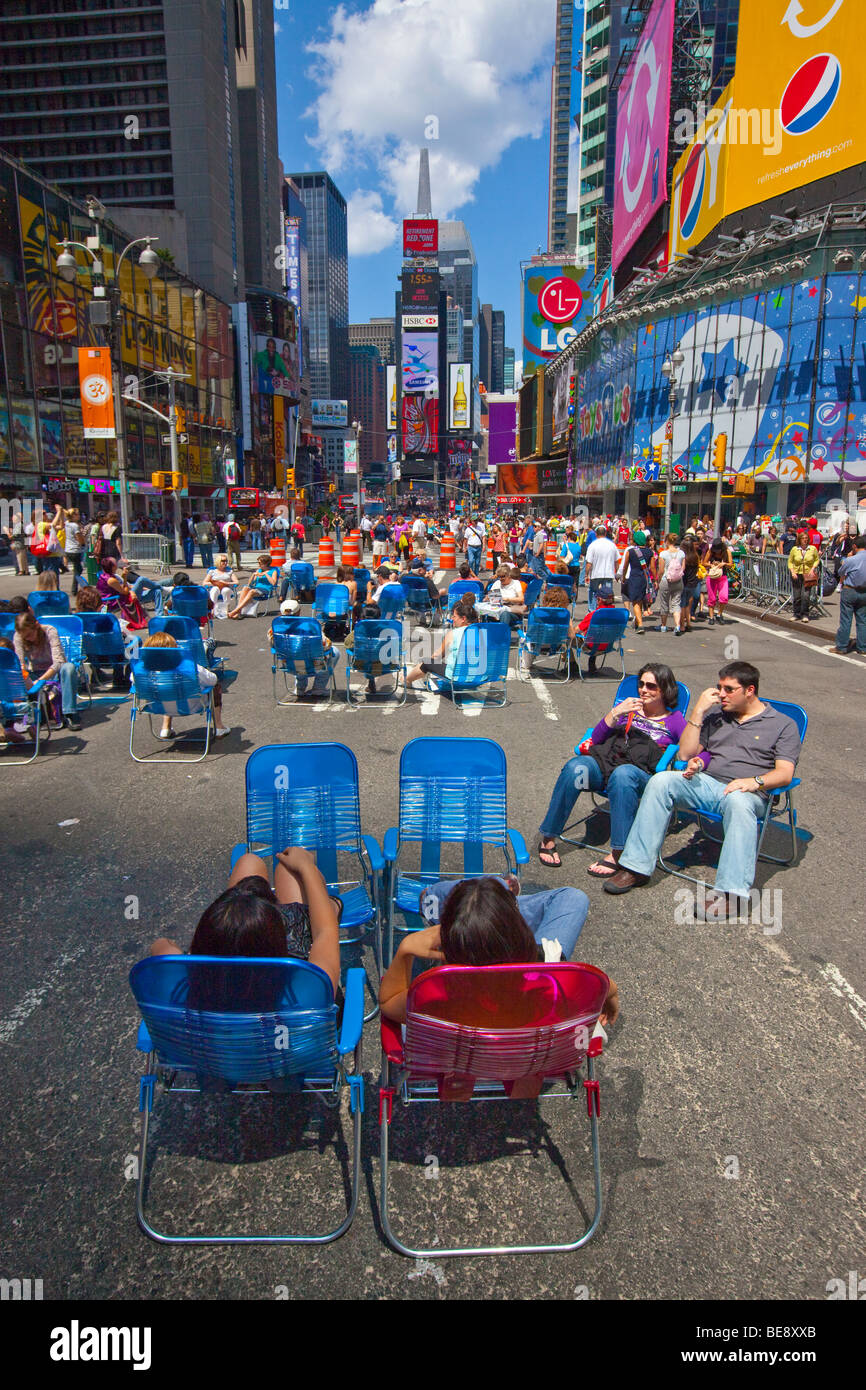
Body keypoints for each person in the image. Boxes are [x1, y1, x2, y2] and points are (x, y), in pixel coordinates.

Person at [602, 661, 802, 920]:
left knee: (739, 802)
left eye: (729, 689)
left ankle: (732, 894)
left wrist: (754, 782)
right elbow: (685, 753)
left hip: (749, 792)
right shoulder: (716, 716)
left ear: (750, 690)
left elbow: (785, 772)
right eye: (719, 687)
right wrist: (697, 713)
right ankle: (636, 868)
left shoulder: (782, 724)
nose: (721, 694)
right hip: (707, 783)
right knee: (662, 780)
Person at [379, 878, 618, 1088]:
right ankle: (500, 899)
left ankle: (433, 898)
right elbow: (604, 987)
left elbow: (388, 1003)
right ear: (522, 931)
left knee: (480, 896)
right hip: (534, 1060)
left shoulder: (436, 996)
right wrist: (609, 996)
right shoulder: (556, 984)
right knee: (571, 897)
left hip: (462, 1063)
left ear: (447, 943)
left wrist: (405, 949)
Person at [538, 663, 686, 874]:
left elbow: (695, 750)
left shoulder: (675, 721)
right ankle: (548, 837)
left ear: (665, 689)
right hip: (608, 765)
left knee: (623, 774)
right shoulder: (629, 710)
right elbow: (596, 739)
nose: (644, 690)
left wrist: (691, 764)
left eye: (651, 686)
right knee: (575, 767)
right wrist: (616, 712)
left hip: (640, 777)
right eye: (641, 684)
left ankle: (619, 851)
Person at [148, 846, 341, 1000]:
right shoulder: (310, 989)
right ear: (279, 946)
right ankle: (333, 906)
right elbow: (325, 931)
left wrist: (182, 954)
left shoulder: (178, 991)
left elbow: (160, 946)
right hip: (289, 1040)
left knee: (249, 862)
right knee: (290, 872)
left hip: (210, 1044)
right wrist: (307, 867)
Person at [138, 630, 230, 739]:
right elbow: (212, 680)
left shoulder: (140, 671)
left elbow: (135, 685)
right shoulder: (188, 667)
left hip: (157, 706)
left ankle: (165, 728)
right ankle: (219, 727)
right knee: (216, 686)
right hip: (193, 705)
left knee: (164, 690)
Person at [13, 609, 81, 731]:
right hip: (35, 672)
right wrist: (25, 676)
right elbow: (20, 664)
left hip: (55, 672)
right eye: (25, 637)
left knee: (69, 667)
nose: (27, 639)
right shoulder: (19, 636)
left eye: (29, 635)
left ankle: (69, 713)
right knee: (15, 673)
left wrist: (40, 681)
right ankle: (23, 714)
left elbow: (58, 662)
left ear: (37, 626)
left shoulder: (50, 631)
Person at [406, 594, 476, 689]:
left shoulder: (454, 633)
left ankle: (406, 680)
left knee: (428, 662)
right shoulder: (482, 632)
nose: (452, 619)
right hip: (479, 676)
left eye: (454, 616)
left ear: (463, 619)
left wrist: (426, 664)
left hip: (458, 676)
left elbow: (436, 656)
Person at [832, 534, 866, 654]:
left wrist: (846, 558)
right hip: (864, 591)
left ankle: (841, 646)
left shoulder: (851, 559)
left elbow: (841, 572)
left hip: (850, 590)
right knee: (862, 620)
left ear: (855, 547)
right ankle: (863, 647)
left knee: (846, 619)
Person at [618, 529, 652, 634]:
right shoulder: (649, 552)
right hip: (645, 578)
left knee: (636, 602)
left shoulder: (631, 551)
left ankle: (640, 625)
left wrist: (623, 577)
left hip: (634, 577)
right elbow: (653, 568)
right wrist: (655, 579)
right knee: (640, 599)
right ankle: (637, 622)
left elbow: (625, 566)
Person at [97, 558, 147, 628]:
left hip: (111, 598)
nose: (117, 566)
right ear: (112, 567)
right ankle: (138, 620)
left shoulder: (104, 576)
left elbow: (122, 589)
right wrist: (125, 577)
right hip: (111, 602)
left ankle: (160, 588)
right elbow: (125, 592)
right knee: (140, 582)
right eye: (115, 564)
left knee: (152, 589)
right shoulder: (111, 580)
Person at [227, 553, 280, 619]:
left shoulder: (273, 571)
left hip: (266, 590)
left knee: (251, 591)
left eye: (260, 563)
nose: (259, 565)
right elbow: (250, 584)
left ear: (266, 564)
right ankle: (238, 612)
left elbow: (273, 583)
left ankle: (236, 611)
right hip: (256, 588)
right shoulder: (258, 570)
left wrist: (265, 574)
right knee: (245, 587)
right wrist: (253, 575)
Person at [787, 529, 820, 623]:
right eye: (803, 538)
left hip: (807, 574)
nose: (805, 540)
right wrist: (792, 572)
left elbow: (816, 559)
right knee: (797, 595)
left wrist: (813, 569)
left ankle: (805, 614)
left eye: (806, 538)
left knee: (805, 595)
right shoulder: (795, 549)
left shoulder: (812, 548)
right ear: (799, 539)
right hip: (797, 574)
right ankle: (796, 613)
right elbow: (790, 561)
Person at [584, 524, 618, 612]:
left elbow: (589, 562)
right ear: (605, 533)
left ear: (596, 534)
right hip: (608, 573)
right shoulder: (612, 545)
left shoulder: (593, 545)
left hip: (596, 573)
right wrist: (617, 573)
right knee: (607, 594)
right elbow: (616, 561)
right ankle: (606, 610)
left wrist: (586, 574)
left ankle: (592, 610)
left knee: (593, 592)